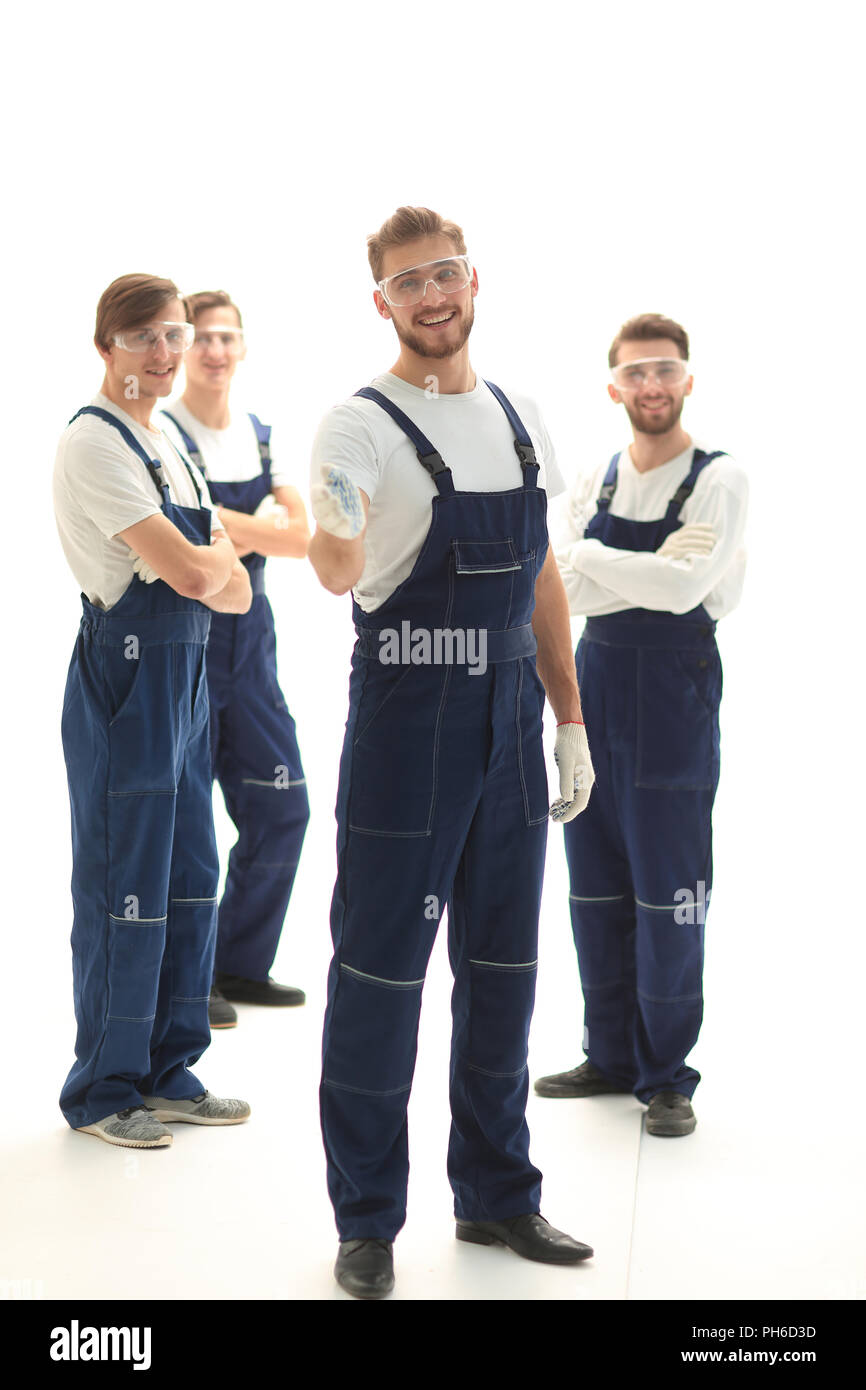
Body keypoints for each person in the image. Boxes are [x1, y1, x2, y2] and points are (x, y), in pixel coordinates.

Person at [308, 206, 596, 1300]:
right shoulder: (357, 424)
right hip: (405, 726)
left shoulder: (522, 414)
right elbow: (338, 571)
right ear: (379, 301)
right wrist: (333, 526)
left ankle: (496, 1196)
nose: (431, 297)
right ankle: (368, 1219)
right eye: (406, 282)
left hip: (509, 725)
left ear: (472, 280)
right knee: (380, 976)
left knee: (503, 972)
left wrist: (565, 718)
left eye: (444, 274)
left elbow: (540, 579)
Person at [535, 313, 748, 1137]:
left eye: (666, 370)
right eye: (636, 373)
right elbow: (563, 595)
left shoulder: (721, 480)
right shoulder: (597, 477)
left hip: (673, 692)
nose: (651, 386)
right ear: (614, 386)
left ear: (687, 379)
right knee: (594, 880)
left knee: (672, 892)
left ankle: (667, 1076)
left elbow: (687, 592)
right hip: (593, 684)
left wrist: (591, 561)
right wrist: (641, 571)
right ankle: (612, 1054)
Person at [54, 274, 252, 1149]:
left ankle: (170, 1071)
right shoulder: (94, 443)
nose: (165, 354)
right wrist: (208, 563)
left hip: (188, 681)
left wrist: (210, 565)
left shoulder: (166, 436)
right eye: (144, 338)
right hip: (128, 675)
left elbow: (234, 585)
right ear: (107, 346)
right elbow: (194, 571)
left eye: (173, 335)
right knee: (122, 886)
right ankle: (104, 1088)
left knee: (189, 878)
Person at [160, 291, 311, 1029]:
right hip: (184, 638)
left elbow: (305, 537)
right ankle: (191, 980)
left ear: (244, 348)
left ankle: (238, 963)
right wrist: (257, 528)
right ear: (182, 350)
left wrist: (221, 528)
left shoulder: (262, 435)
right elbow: (188, 542)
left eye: (227, 338)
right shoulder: (162, 431)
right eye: (201, 339)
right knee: (190, 828)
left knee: (284, 807)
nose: (215, 351)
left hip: (251, 645)